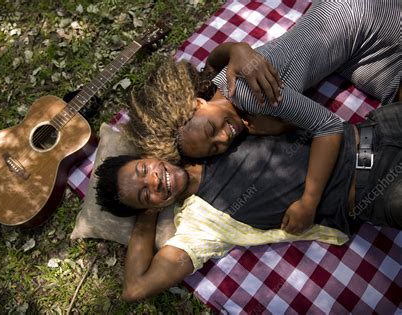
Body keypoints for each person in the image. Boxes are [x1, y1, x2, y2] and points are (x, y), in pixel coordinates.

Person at [124, 0, 400, 234]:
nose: (225, 136)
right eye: (216, 147)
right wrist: (235, 50)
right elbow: (211, 61)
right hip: (352, 49)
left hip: (359, 16)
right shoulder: (217, 87)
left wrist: (309, 201)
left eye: (212, 129)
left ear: (197, 103)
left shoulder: (249, 96)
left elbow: (328, 126)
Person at [94, 102, 402, 301]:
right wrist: (148, 214)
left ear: (149, 156)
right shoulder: (201, 225)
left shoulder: (198, 133)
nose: (155, 180)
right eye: (145, 192)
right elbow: (135, 288)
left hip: (375, 128)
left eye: (144, 169)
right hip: (378, 189)